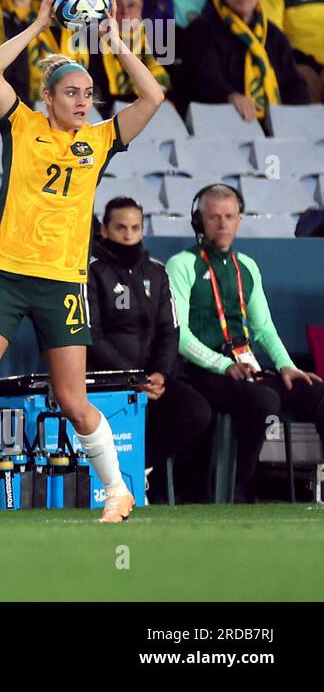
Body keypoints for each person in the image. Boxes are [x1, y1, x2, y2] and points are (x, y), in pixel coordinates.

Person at [0, 0, 166, 524]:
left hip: (63, 283)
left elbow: (154, 97)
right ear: (47, 98)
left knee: (73, 401)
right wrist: (40, 25)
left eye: (88, 95)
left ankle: (117, 491)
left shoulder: (98, 141)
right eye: (71, 93)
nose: (82, 102)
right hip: (5, 276)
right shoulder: (21, 126)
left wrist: (114, 41)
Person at [166, 184, 324, 502]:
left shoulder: (247, 266)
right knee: (263, 401)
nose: (222, 224)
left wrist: (287, 366)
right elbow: (179, 334)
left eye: (229, 216)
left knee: (316, 393)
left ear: (239, 220)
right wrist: (223, 366)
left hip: (246, 365)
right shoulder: (181, 265)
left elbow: (264, 328)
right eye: (214, 217)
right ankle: (239, 487)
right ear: (199, 221)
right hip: (201, 371)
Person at [88, 197, 212, 501]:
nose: (128, 235)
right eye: (120, 227)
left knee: (196, 412)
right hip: (109, 379)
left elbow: (170, 330)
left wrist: (160, 373)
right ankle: (121, 473)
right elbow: (91, 335)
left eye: (135, 227)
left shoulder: (156, 272)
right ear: (104, 229)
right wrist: (133, 378)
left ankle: (141, 466)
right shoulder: (91, 272)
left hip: (154, 379)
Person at [176, 0, 309, 120]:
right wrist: (231, 96)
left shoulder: (273, 34)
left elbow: (294, 82)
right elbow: (206, 77)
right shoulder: (202, 29)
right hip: (222, 119)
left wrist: (296, 114)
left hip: (275, 122)